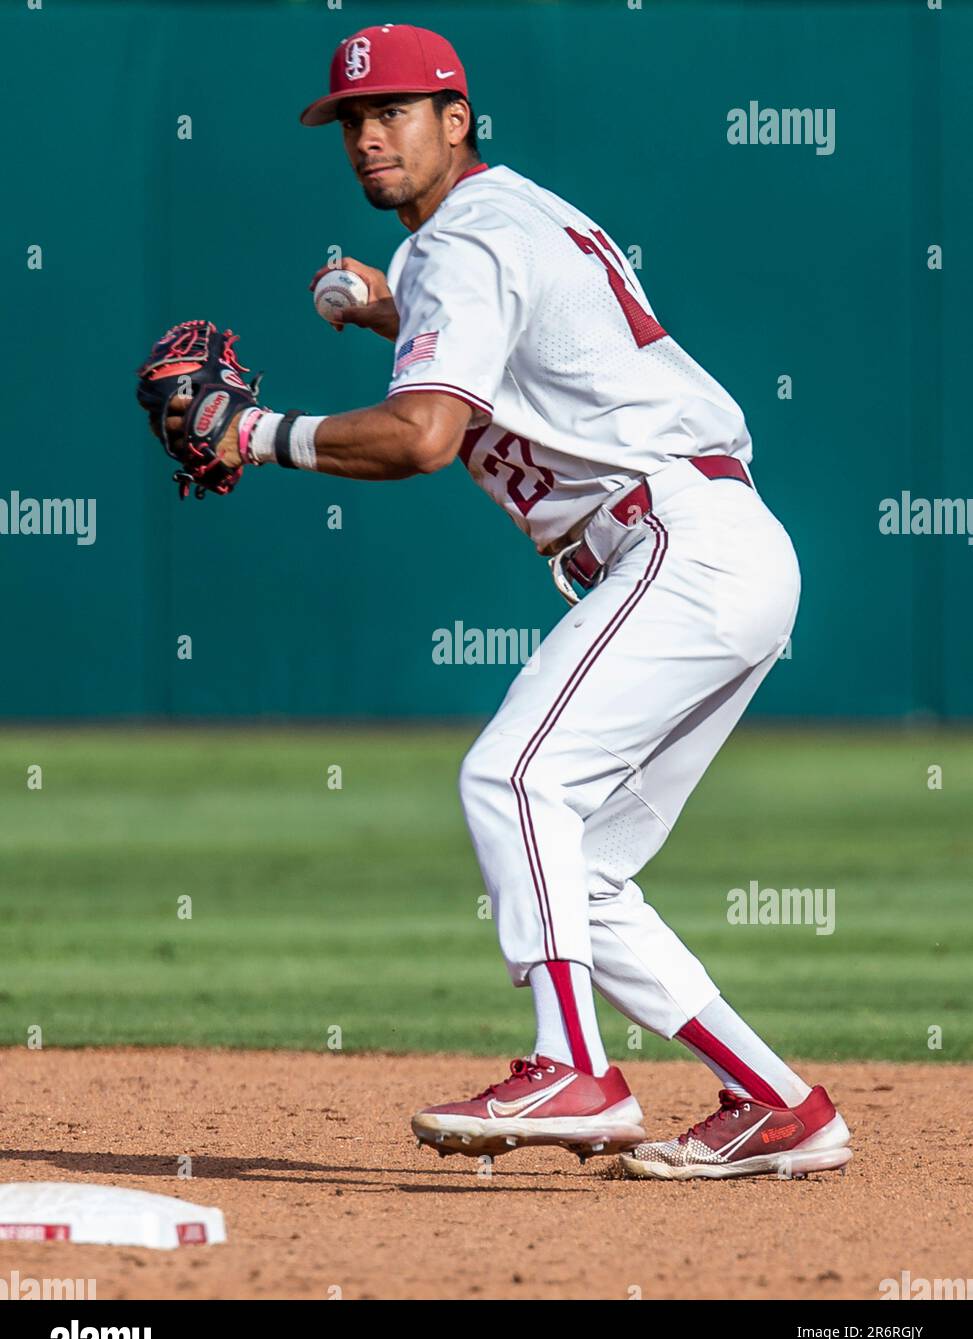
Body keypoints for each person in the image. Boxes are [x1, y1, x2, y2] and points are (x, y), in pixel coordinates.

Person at [160, 23, 852, 1179]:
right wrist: (393, 311)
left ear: (456, 118)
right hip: (720, 546)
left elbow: (425, 435)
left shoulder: (461, 242)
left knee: (511, 776)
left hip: (674, 542)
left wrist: (257, 434)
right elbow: (531, 350)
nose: (371, 135)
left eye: (395, 111)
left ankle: (573, 1066)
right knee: (576, 870)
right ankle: (778, 1103)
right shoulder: (504, 218)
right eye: (352, 120)